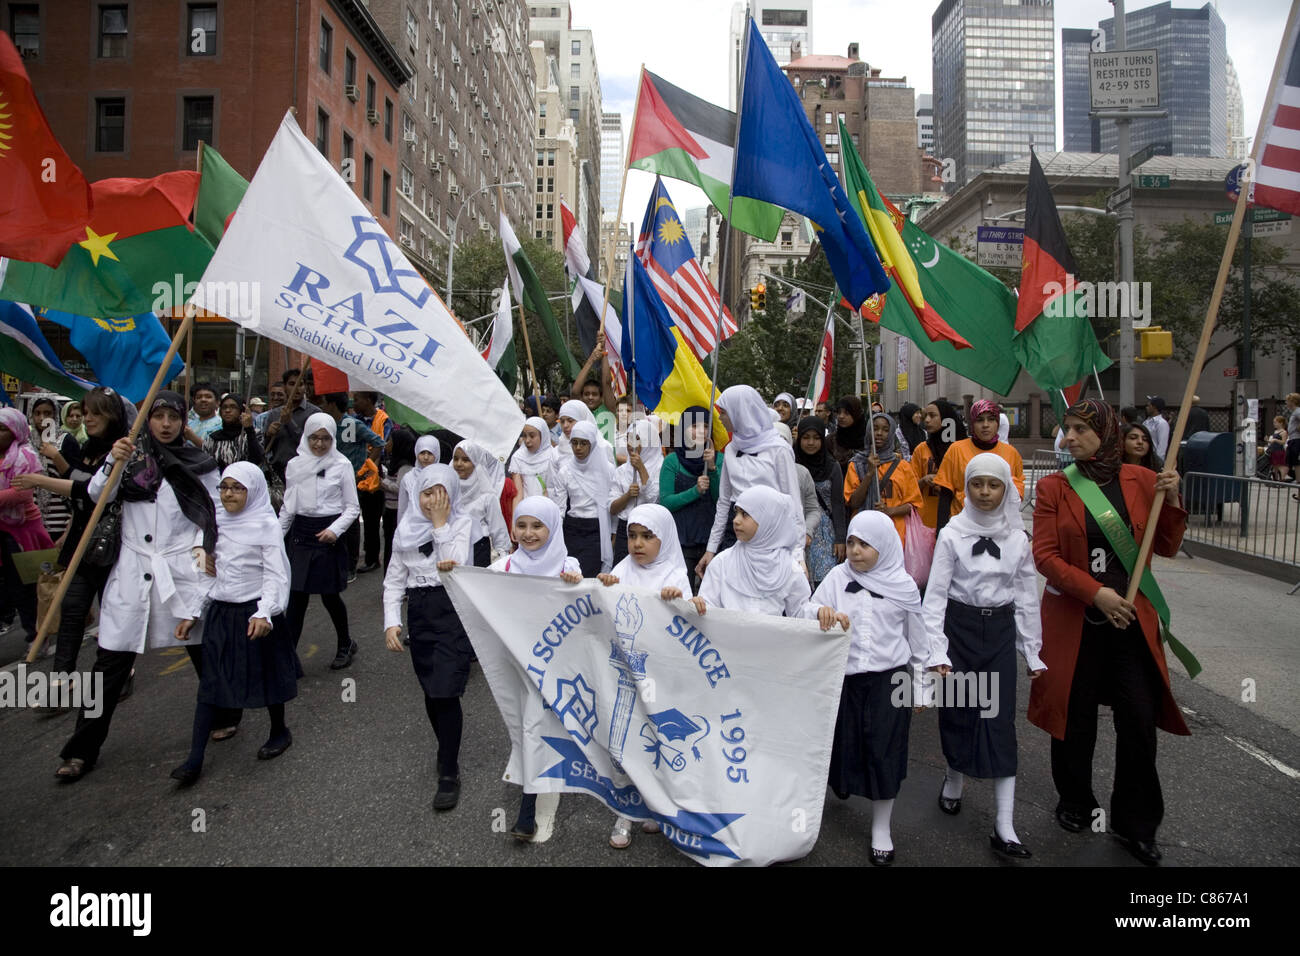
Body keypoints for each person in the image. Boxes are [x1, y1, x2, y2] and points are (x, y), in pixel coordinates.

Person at [1029, 399, 1189, 866]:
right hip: (1078, 621)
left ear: (1106, 431)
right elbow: (1046, 556)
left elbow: (1167, 545)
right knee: (1073, 720)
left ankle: (1136, 824)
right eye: (1067, 429)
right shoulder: (1055, 488)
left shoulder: (1142, 481)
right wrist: (1094, 592)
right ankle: (1076, 800)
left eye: (1080, 429)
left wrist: (1174, 499)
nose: (1069, 437)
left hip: (1132, 624)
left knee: (1138, 723)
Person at [54, 391, 226, 781]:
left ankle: (225, 713)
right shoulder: (129, 457)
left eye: (173, 417)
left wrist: (204, 555)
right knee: (109, 664)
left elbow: (213, 517)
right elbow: (98, 495)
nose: (166, 424)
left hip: (181, 569)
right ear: (147, 420)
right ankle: (81, 749)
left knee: (203, 652)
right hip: (132, 573)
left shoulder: (200, 464)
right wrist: (113, 461)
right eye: (158, 416)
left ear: (183, 422)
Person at [924, 453, 1044, 860]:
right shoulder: (952, 533)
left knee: (998, 720)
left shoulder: (1017, 537)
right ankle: (953, 776)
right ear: (966, 488)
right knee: (959, 711)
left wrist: (1032, 649)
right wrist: (935, 650)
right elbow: (936, 595)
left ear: (1006, 488)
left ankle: (1004, 824)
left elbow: (1027, 594)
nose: (986, 492)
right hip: (959, 629)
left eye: (994, 485)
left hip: (998, 632)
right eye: (978, 484)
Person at [805, 510, 929, 866]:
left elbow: (918, 642)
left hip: (889, 681)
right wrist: (819, 614)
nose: (856, 551)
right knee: (838, 743)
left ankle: (881, 826)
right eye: (853, 542)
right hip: (843, 677)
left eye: (866, 544)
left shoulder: (903, 586)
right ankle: (839, 782)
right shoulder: (835, 577)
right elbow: (806, 609)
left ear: (886, 546)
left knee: (883, 751)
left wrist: (922, 688)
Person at [170, 462, 299, 785]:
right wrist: (193, 612)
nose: (228, 494)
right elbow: (205, 573)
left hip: (254, 613)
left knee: (266, 676)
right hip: (222, 614)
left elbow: (276, 575)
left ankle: (279, 730)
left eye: (237, 488)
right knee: (210, 683)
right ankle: (194, 758)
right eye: (224, 487)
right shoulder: (212, 524)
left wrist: (265, 612)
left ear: (252, 490)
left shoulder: (265, 526)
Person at [12, 388, 134, 676]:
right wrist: (68, 529)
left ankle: (120, 674)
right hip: (81, 545)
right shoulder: (88, 448)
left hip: (111, 548)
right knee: (71, 611)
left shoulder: (122, 450)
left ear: (112, 416)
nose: (88, 419)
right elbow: (79, 490)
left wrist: (40, 480)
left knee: (112, 618)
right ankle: (61, 681)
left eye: (95, 413)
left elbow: (93, 492)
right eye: (86, 412)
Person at [596, 502, 692, 850]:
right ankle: (625, 812)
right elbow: (604, 603)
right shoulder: (623, 568)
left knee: (653, 740)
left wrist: (675, 600)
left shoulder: (675, 575)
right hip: (625, 674)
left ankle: (653, 804)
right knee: (624, 740)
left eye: (647, 537)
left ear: (663, 539)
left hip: (659, 676)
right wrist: (605, 585)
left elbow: (689, 620)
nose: (637, 543)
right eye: (632, 536)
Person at [488, 496, 583, 840]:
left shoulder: (567, 566)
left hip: (552, 668)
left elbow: (581, 612)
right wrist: (453, 572)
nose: (528, 534)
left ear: (553, 528)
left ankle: (527, 812)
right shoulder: (503, 568)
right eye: (521, 525)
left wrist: (574, 586)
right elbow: (476, 594)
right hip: (516, 665)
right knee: (527, 728)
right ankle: (534, 787)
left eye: (537, 526)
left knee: (533, 728)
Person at [384, 465, 475, 811]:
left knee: (445, 690)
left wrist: (439, 524)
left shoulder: (461, 524)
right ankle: (445, 746)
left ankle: (449, 771)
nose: (433, 501)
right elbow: (394, 579)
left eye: (441, 494)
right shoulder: (405, 529)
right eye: (426, 493)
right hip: (419, 611)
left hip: (450, 609)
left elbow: (452, 562)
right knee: (429, 689)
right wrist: (391, 621)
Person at [279, 412, 360, 670]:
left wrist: (334, 530)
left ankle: (345, 643)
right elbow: (288, 507)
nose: (319, 444)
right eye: (314, 438)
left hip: (328, 536)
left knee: (329, 596)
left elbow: (352, 507)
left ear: (333, 439)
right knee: (296, 598)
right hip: (301, 535)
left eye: (325, 438)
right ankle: (288, 658)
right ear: (306, 436)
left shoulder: (342, 464)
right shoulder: (295, 465)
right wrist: (273, 538)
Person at [699, 385, 803, 580]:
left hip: (770, 533)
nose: (720, 418)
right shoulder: (731, 449)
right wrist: (711, 548)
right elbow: (723, 501)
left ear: (741, 413)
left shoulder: (778, 449)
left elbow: (793, 504)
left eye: (724, 413)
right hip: (735, 531)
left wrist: (798, 555)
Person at [693, 486, 811, 618]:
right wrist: (697, 605)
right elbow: (707, 606)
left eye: (745, 514)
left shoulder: (789, 568)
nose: (736, 520)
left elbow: (800, 613)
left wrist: (820, 613)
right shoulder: (722, 563)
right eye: (736, 513)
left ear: (768, 519)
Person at [0, 408, 56, 655]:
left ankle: (38, 634)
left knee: (25, 586)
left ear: (15, 431)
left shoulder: (25, 456)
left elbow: (21, 493)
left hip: (22, 531)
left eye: (3, 429)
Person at [315, 393, 385, 581]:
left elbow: (379, 442)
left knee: (351, 522)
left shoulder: (352, 424)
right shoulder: (325, 426)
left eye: (323, 401)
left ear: (332, 404)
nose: (320, 405)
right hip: (329, 480)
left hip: (352, 481)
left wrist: (365, 467)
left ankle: (350, 566)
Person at [934, 399, 1024, 533]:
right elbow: (946, 493)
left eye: (991, 419)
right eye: (980, 420)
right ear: (972, 423)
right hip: (962, 527)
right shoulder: (956, 450)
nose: (985, 425)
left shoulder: (1011, 453)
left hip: (999, 530)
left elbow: (1015, 495)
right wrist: (940, 531)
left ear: (998, 423)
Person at [658, 406, 719, 595]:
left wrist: (713, 469)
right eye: (694, 425)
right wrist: (695, 491)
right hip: (681, 543)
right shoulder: (672, 461)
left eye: (706, 426)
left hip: (712, 543)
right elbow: (666, 502)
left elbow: (722, 501)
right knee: (682, 595)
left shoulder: (720, 459)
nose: (700, 431)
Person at [844, 413, 922, 547]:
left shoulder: (902, 466)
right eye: (875, 428)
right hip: (863, 536)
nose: (879, 433)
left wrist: (890, 510)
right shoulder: (856, 464)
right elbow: (853, 503)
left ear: (891, 433)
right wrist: (869, 474)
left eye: (885, 430)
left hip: (894, 535)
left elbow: (913, 505)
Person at [548, 420, 616, 576]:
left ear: (592, 444)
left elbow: (612, 505)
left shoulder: (607, 470)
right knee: (568, 575)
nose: (578, 448)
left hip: (596, 530)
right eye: (574, 443)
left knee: (588, 577)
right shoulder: (565, 471)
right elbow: (560, 508)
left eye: (583, 443)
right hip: (572, 530)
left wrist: (612, 534)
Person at [796, 417, 846, 589]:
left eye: (816, 438)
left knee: (824, 584)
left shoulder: (832, 466)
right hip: (798, 528)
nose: (811, 442)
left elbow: (838, 504)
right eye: (806, 437)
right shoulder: (792, 464)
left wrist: (840, 538)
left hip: (825, 534)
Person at [608, 418, 662, 565]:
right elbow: (612, 508)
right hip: (625, 529)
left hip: (649, 531)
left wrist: (641, 468)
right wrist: (627, 496)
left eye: (637, 439)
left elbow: (654, 499)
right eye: (628, 439)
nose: (631, 445)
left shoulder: (661, 468)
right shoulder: (621, 471)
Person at [452, 439, 510, 566]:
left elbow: (498, 530)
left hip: (478, 549)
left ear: (476, 462)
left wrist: (502, 557)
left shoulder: (487, 495)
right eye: (456, 459)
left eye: (466, 460)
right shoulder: (448, 490)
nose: (459, 464)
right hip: (451, 548)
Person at [352, 391, 392, 574]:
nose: (354, 402)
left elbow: (382, 445)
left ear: (368, 400)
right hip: (355, 475)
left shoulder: (384, 420)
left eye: (357, 399)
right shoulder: (353, 421)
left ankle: (372, 558)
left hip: (374, 477)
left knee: (371, 519)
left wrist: (369, 464)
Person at [912, 401, 967, 530]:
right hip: (926, 523)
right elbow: (909, 489)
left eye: (932, 415)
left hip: (958, 520)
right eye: (925, 416)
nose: (927, 420)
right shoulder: (921, 449)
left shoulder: (963, 449)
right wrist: (924, 480)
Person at [27, 398, 75, 542]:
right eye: (37, 413)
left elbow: (74, 479)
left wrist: (55, 455)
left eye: (47, 413)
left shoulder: (65, 440)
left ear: (55, 415)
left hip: (60, 519)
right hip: (30, 519)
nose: (42, 418)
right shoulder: (25, 442)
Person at [263, 369, 321, 481]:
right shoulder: (274, 414)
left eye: (300, 384)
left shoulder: (315, 413)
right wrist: (269, 434)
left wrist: (289, 422)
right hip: (278, 473)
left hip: (304, 473)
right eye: (291, 384)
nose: (296, 389)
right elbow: (264, 448)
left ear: (305, 388)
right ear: (284, 387)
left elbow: (312, 445)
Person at [381, 426, 417, 569]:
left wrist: (382, 484)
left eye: (390, 440)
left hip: (397, 512)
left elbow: (401, 487)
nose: (387, 443)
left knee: (393, 548)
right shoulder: (395, 463)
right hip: (390, 509)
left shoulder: (405, 466)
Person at [570, 343, 619, 444]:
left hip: (605, 459)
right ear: (582, 397)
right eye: (586, 394)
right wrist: (591, 359)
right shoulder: (579, 411)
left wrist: (604, 352)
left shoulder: (608, 410)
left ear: (601, 397)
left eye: (594, 394)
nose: (590, 397)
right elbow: (575, 391)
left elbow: (606, 382)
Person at [203, 393, 265, 470]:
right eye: (224, 407)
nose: (227, 410)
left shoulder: (254, 434)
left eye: (233, 407)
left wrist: (249, 429)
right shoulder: (211, 439)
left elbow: (258, 459)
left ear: (242, 410)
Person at [511, 417, 558, 503]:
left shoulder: (553, 456)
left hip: (547, 505)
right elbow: (518, 494)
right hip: (526, 508)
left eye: (532, 436)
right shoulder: (518, 457)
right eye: (524, 436)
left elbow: (554, 491)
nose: (527, 440)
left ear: (543, 436)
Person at [828, 395, 868, 470]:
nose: (841, 416)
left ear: (856, 414)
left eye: (846, 413)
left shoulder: (869, 440)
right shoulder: (831, 441)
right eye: (839, 412)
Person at [1143, 395, 1171, 462]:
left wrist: (1158, 462)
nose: (1146, 408)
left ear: (1154, 407)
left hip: (1154, 460)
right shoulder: (1146, 422)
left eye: (1148, 406)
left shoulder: (1162, 423)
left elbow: (1162, 446)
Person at [1267, 415, 1289, 481]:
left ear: (1281, 423)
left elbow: (1283, 442)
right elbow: (1273, 442)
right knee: (1274, 466)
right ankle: (1275, 479)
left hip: (1279, 451)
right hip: (1273, 450)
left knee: (1280, 466)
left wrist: (1275, 440)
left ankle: (1282, 479)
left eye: (1275, 422)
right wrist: (1268, 440)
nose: (1274, 424)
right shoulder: (1275, 431)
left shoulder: (1284, 432)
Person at [1284, 392, 1300, 484]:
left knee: (1296, 462)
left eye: (1287, 401)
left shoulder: (1297, 411)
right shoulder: (1295, 412)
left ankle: (1298, 481)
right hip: (1293, 439)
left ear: (1292, 401)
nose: (1286, 403)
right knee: (1291, 460)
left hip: (1296, 440)